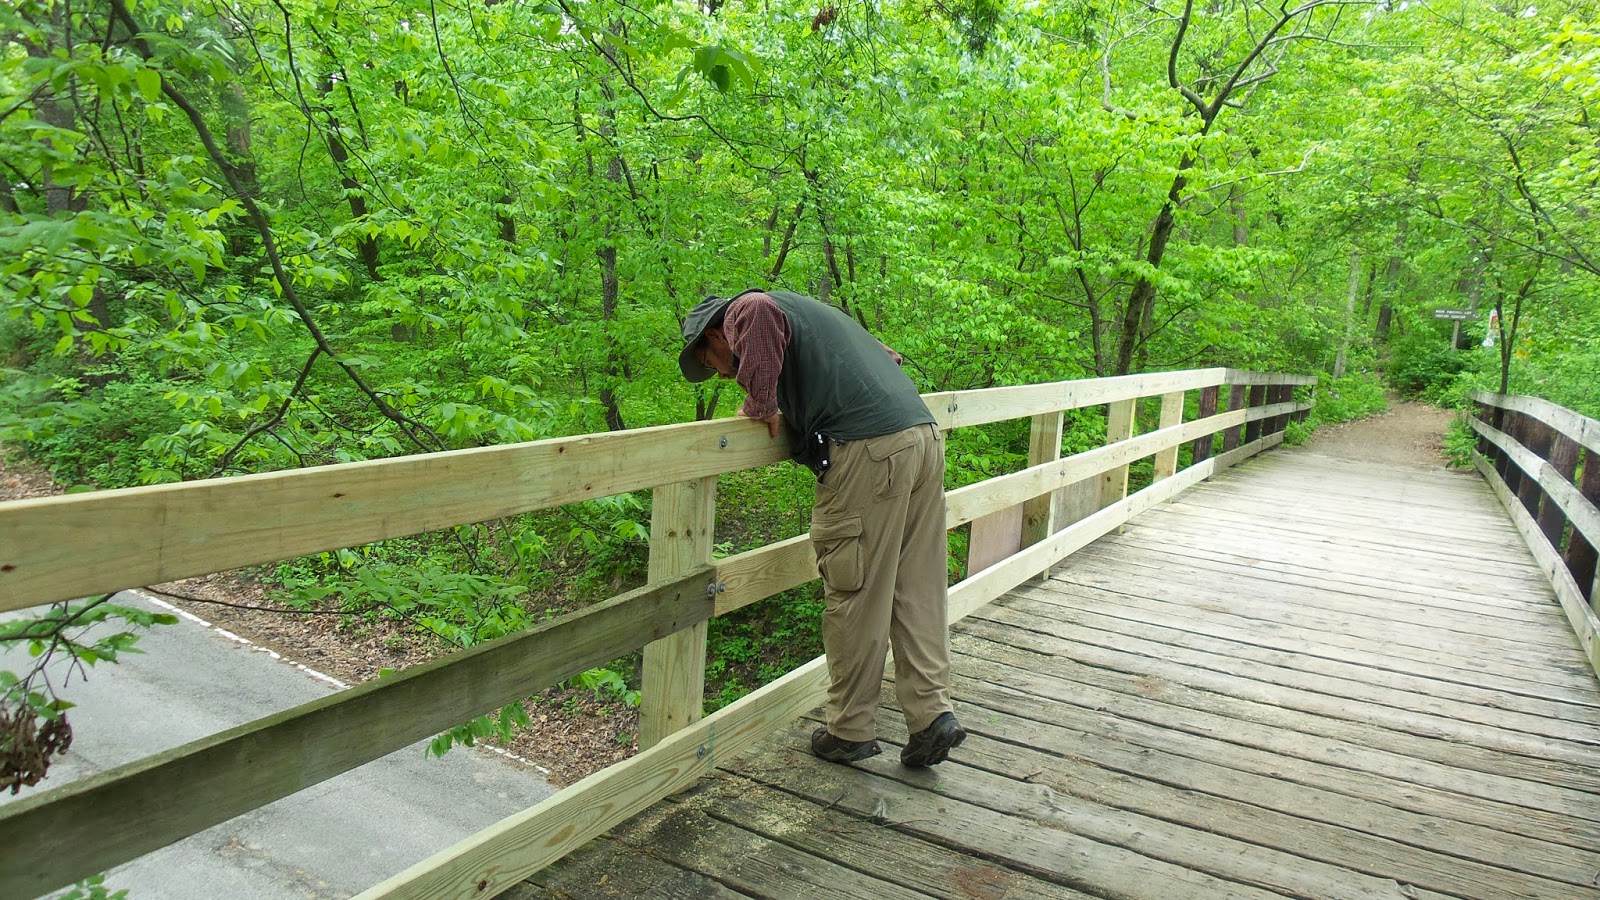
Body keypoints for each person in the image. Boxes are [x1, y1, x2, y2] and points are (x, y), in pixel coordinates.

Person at [678, 289, 966, 767]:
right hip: (922, 437)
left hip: (869, 449)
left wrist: (759, 403)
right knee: (916, 586)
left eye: (712, 362)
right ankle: (932, 716)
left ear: (717, 332)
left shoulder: (751, 310)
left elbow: (758, 313)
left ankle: (850, 729)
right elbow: (889, 358)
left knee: (856, 591)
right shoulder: (822, 318)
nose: (722, 374)